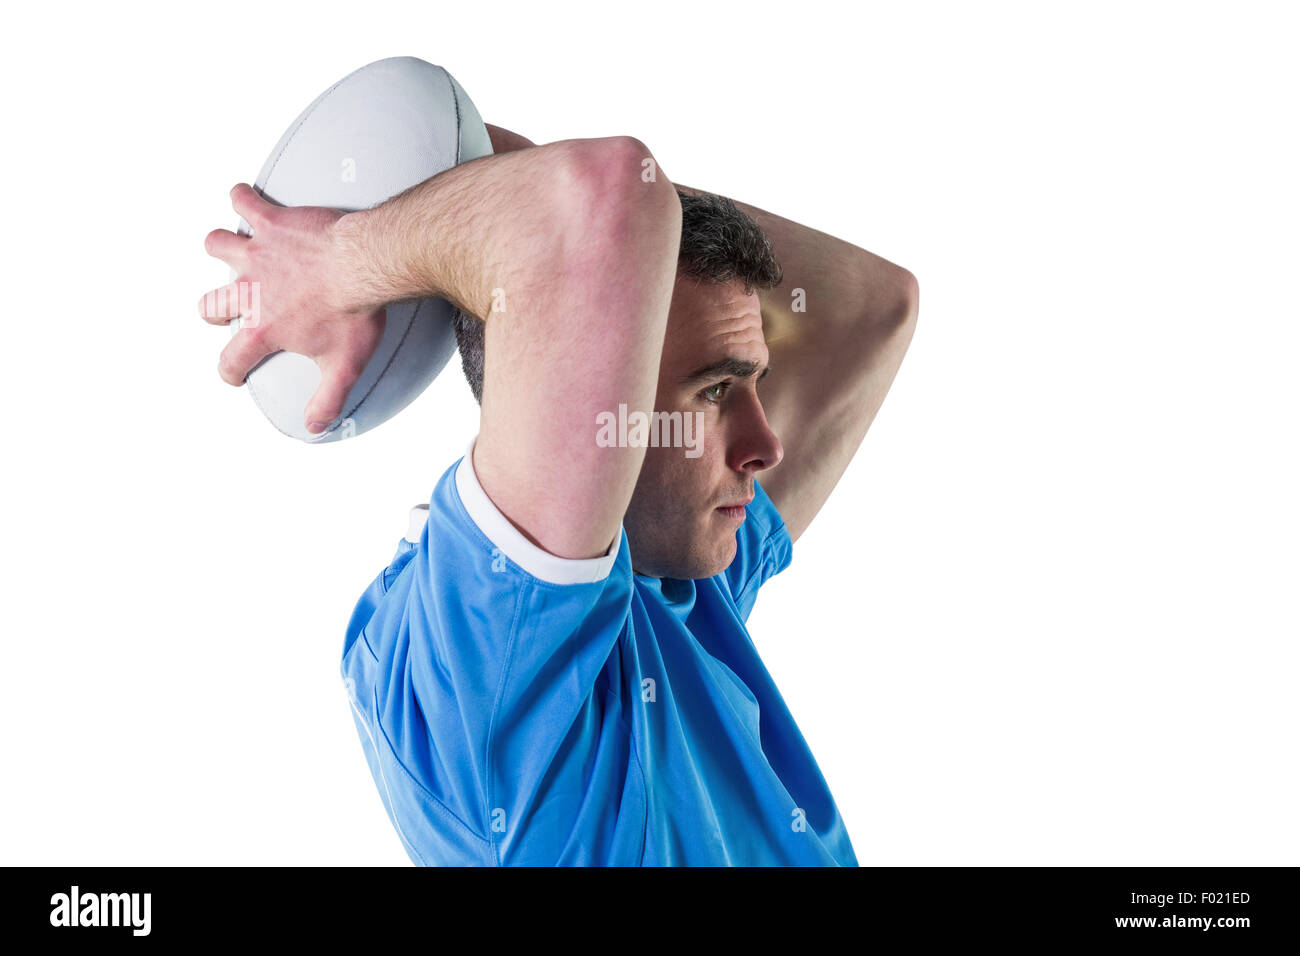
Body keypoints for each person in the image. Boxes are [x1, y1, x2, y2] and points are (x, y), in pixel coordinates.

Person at [199, 125, 919, 865]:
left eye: (754, 381)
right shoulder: (491, 647)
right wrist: (343, 261)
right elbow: (605, 192)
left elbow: (871, 307)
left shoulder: (669, 594)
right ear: (586, 397)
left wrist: (452, 142)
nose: (764, 446)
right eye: (713, 391)